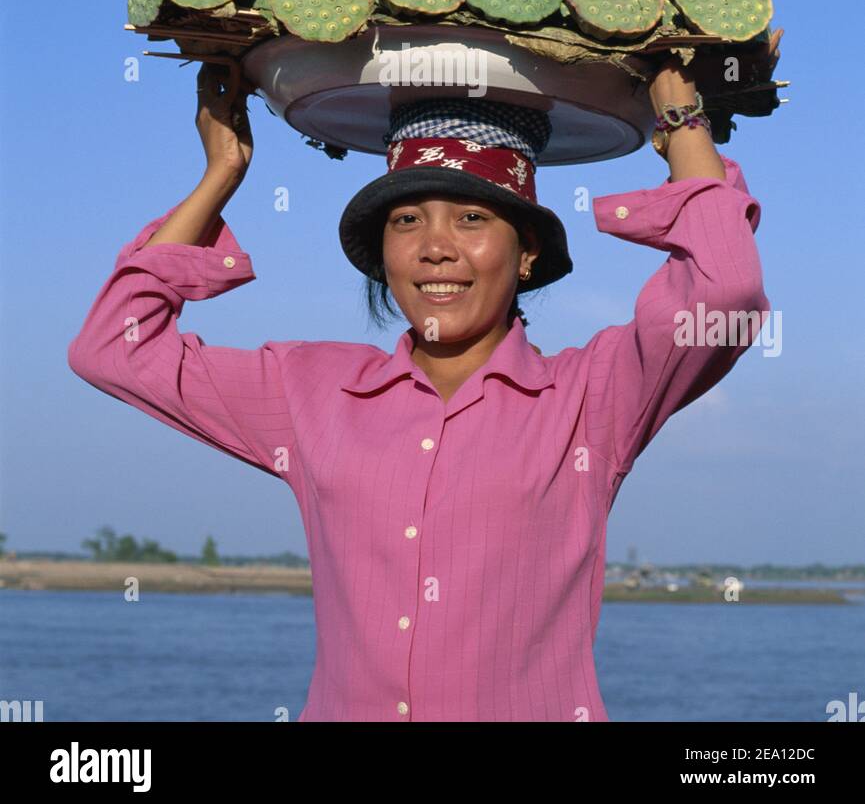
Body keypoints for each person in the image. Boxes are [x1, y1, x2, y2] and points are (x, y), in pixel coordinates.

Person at [67, 54, 771, 722]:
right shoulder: (308, 390)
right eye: (407, 221)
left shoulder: (595, 398)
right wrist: (221, 172)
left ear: (526, 254)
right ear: (382, 258)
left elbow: (726, 289)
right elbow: (113, 348)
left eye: (471, 219)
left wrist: (682, 124)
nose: (436, 247)